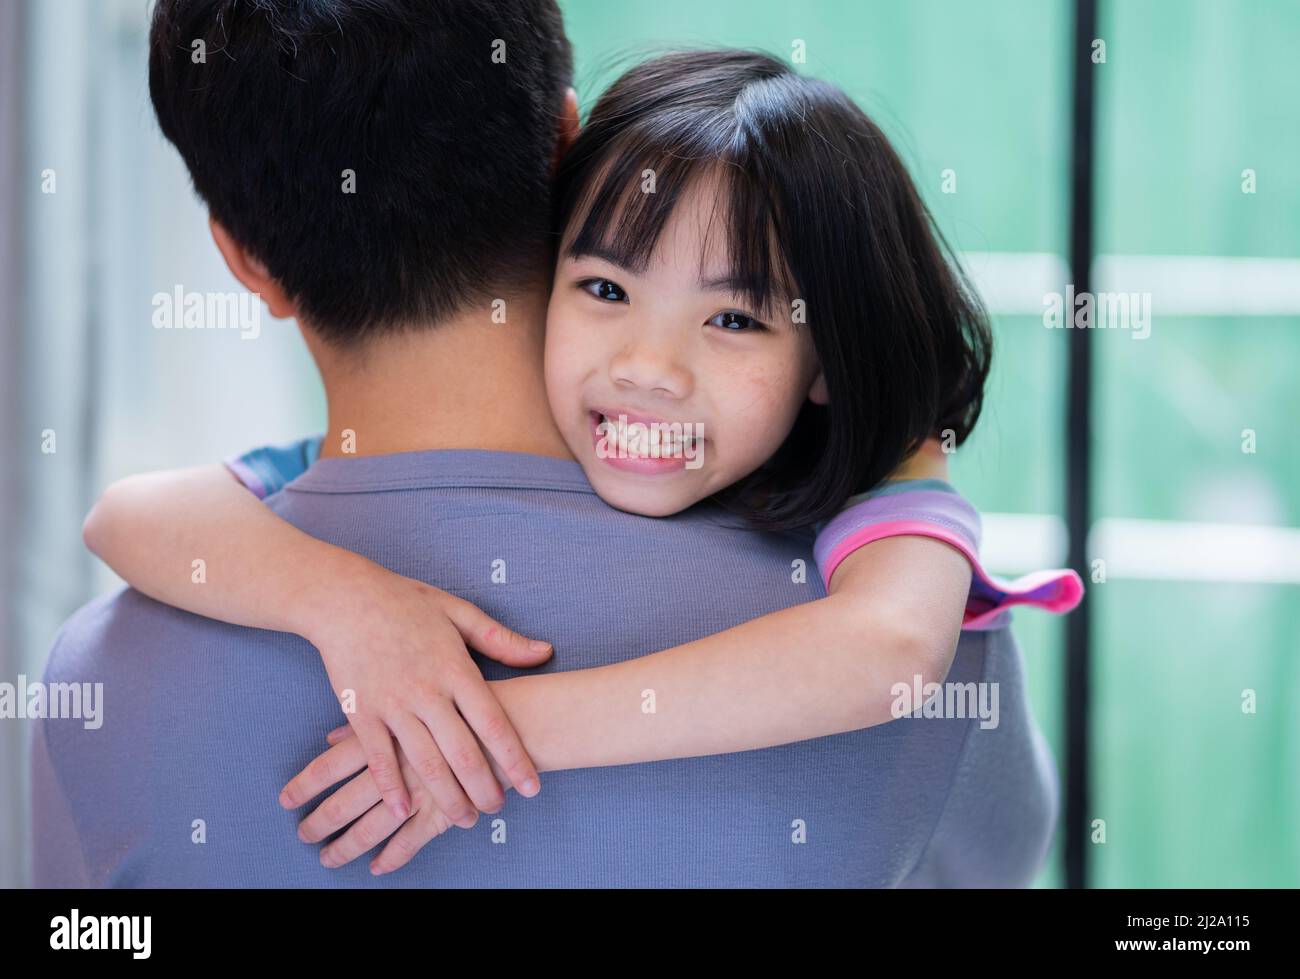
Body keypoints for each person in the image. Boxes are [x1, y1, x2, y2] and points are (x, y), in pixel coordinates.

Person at [33, 0, 1062, 887]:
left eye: (736, 319)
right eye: (611, 292)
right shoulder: (937, 635)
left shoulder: (98, 682)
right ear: (564, 150)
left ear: (244, 259)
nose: (654, 367)